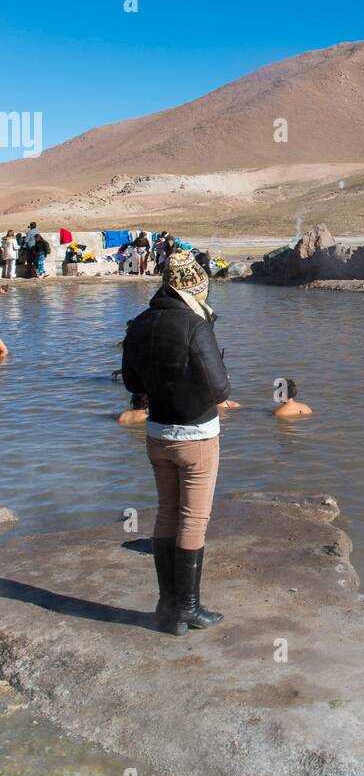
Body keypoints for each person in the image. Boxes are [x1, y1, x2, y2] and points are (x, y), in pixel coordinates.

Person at [122, 248, 232, 635]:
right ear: (195, 290)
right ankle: (188, 607)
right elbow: (220, 390)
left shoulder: (139, 323)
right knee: (193, 519)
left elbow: (134, 385)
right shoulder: (195, 327)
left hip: (157, 434)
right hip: (197, 435)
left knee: (166, 512)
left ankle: (167, 607)